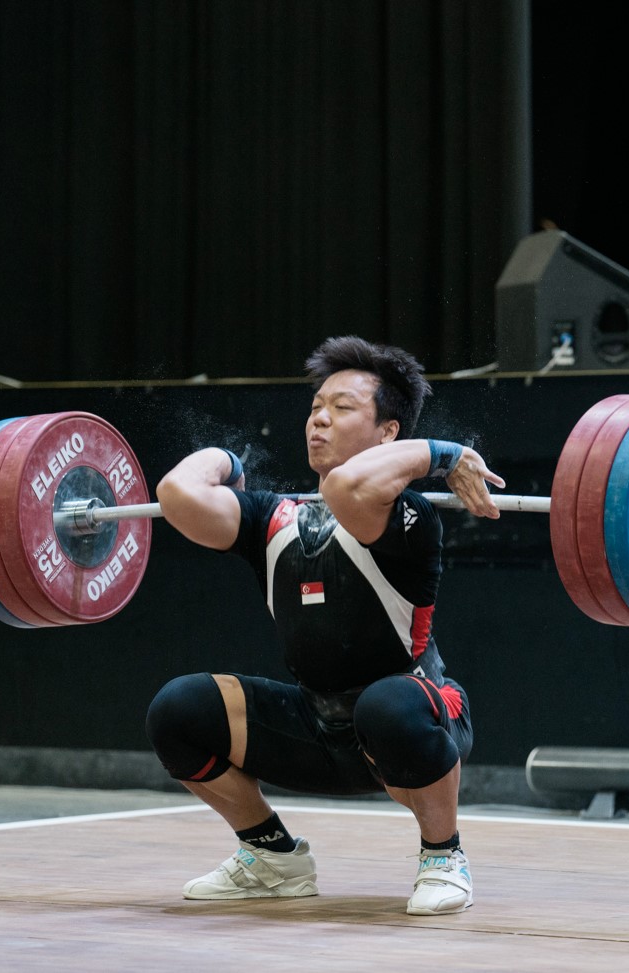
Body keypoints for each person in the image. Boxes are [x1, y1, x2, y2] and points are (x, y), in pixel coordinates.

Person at [146, 335, 504, 916]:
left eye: (341, 408)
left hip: (414, 721)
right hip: (317, 728)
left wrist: (445, 455)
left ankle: (444, 855)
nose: (318, 419)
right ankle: (272, 857)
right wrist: (227, 461)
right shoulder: (273, 518)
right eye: (315, 407)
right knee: (179, 710)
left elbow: (350, 488)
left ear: (389, 433)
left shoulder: (409, 517)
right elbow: (177, 495)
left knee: (389, 705)